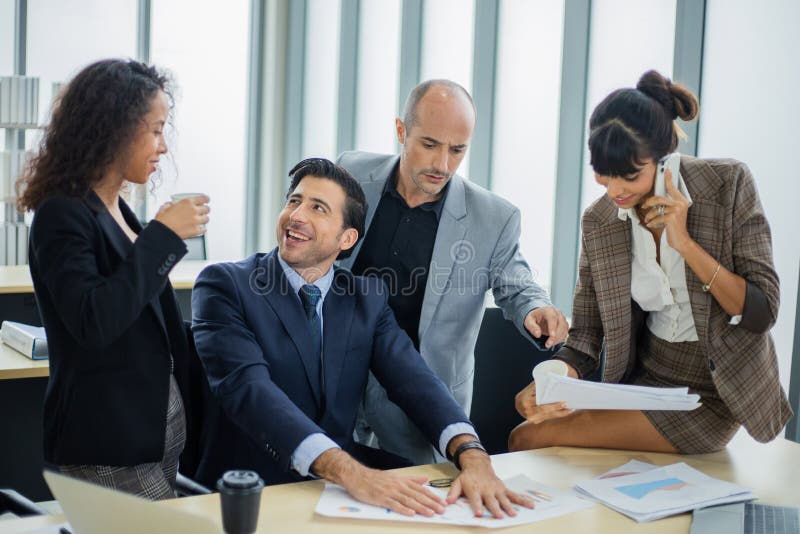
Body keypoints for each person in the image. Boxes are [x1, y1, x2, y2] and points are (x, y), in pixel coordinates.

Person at [191, 158, 532, 518]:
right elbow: (250, 390)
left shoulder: (365, 297)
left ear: (347, 238)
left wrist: (472, 453)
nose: (297, 215)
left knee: (450, 508)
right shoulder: (226, 285)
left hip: (337, 486)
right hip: (251, 487)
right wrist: (350, 472)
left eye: (317, 208)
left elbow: (414, 380)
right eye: (294, 201)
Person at [509, 70, 792, 455]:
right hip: (645, 383)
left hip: (712, 392)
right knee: (526, 433)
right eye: (603, 175)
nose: (615, 190)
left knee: (528, 439)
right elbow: (587, 336)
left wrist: (685, 243)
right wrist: (551, 380)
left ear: (662, 158)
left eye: (629, 176)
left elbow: (762, 312)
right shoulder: (600, 222)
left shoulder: (727, 184)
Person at [336, 79, 569, 465]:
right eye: (429, 145)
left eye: (457, 150)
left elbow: (516, 283)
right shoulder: (350, 174)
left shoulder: (494, 217)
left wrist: (535, 309)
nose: (442, 164)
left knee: (421, 507)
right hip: (336, 377)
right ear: (401, 131)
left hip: (422, 395)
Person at [18, 59, 210, 499]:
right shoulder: (61, 214)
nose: (164, 147)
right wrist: (163, 236)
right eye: (156, 130)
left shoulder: (119, 209)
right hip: (109, 448)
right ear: (114, 128)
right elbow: (95, 320)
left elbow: (146, 317)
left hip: (153, 443)